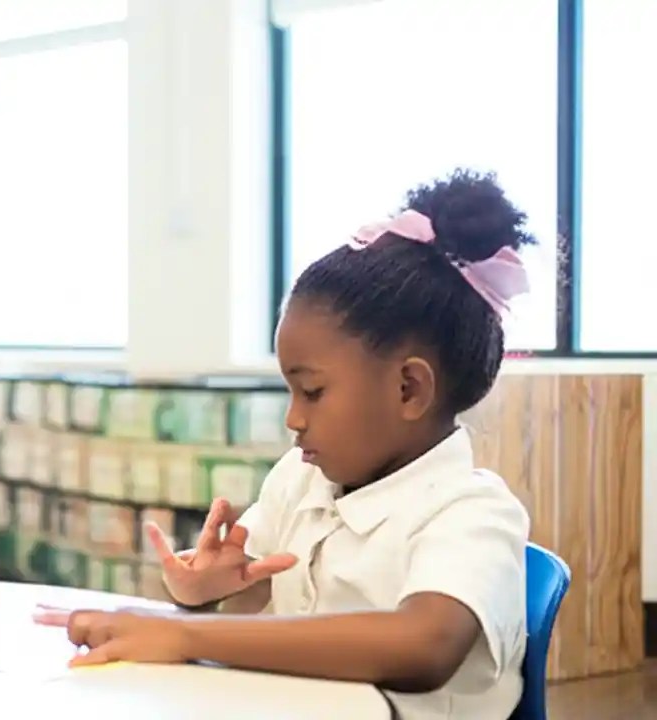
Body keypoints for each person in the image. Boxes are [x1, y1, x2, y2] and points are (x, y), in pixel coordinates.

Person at [36, 169, 533, 720]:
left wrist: (184, 634)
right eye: (290, 391)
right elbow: (254, 610)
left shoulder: (472, 511)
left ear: (408, 388)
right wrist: (204, 592)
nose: (294, 419)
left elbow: (423, 646)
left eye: (313, 391)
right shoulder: (301, 478)